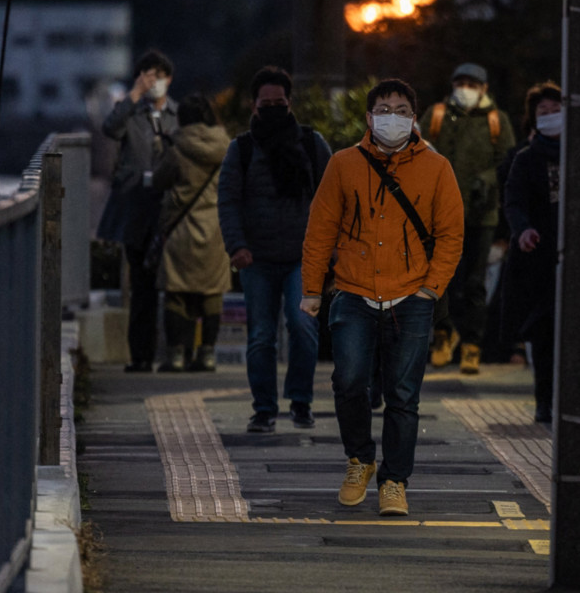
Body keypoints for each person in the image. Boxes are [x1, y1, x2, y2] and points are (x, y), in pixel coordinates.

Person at [300, 78, 464, 517]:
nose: (392, 117)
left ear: (415, 118)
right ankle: (360, 460)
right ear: (369, 117)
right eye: (384, 109)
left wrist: (432, 287)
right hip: (353, 291)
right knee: (349, 382)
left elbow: (451, 234)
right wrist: (312, 289)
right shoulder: (343, 164)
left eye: (401, 109)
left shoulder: (437, 167)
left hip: (411, 295)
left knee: (402, 394)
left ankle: (395, 481)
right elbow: (320, 231)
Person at [218, 66, 332, 432]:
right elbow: (228, 201)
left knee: (303, 326)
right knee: (261, 336)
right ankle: (264, 408)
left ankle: (301, 401)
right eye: (266, 103)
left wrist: (331, 249)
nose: (272, 108)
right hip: (257, 258)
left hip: (304, 256)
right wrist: (237, 246)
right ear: (254, 106)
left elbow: (333, 200)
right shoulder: (242, 149)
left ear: (290, 103)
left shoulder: (313, 145)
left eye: (279, 102)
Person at [424, 62, 517, 374]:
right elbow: (418, 151)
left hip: (481, 215)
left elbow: (508, 162)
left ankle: (472, 345)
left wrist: (488, 179)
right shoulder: (437, 115)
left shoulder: (496, 120)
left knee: (476, 282)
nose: (465, 88)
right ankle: (443, 335)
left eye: (472, 83)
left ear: (484, 88)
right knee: (441, 279)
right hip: (440, 214)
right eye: (460, 82)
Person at [96, 50, 177, 372]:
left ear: (169, 79)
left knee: (173, 287)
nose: (152, 82)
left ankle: (175, 354)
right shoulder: (130, 113)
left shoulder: (178, 114)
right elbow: (110, 129)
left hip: (170, 211)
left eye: (158, 76)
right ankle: (140, 357)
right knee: (141, 288)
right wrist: (134, 94)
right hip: (136, 209)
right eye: (146, 76)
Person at [150, 94, 232, 373]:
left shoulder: (176, 146)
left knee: (176, 294)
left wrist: (160, 148)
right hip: (215, 228)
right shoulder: (226, 145)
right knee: (211, 295)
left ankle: (175, 355)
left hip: (181, 228)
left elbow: (160, 180)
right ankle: (206, 355)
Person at [500, 82, 563, 423]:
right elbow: (514, 200)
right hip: (540, 256)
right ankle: (544, 400)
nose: (551, 118)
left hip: (576, 256)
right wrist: (523, 229)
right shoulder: (525, 159)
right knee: (544, 332)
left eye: (556, 111)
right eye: (544, 113)